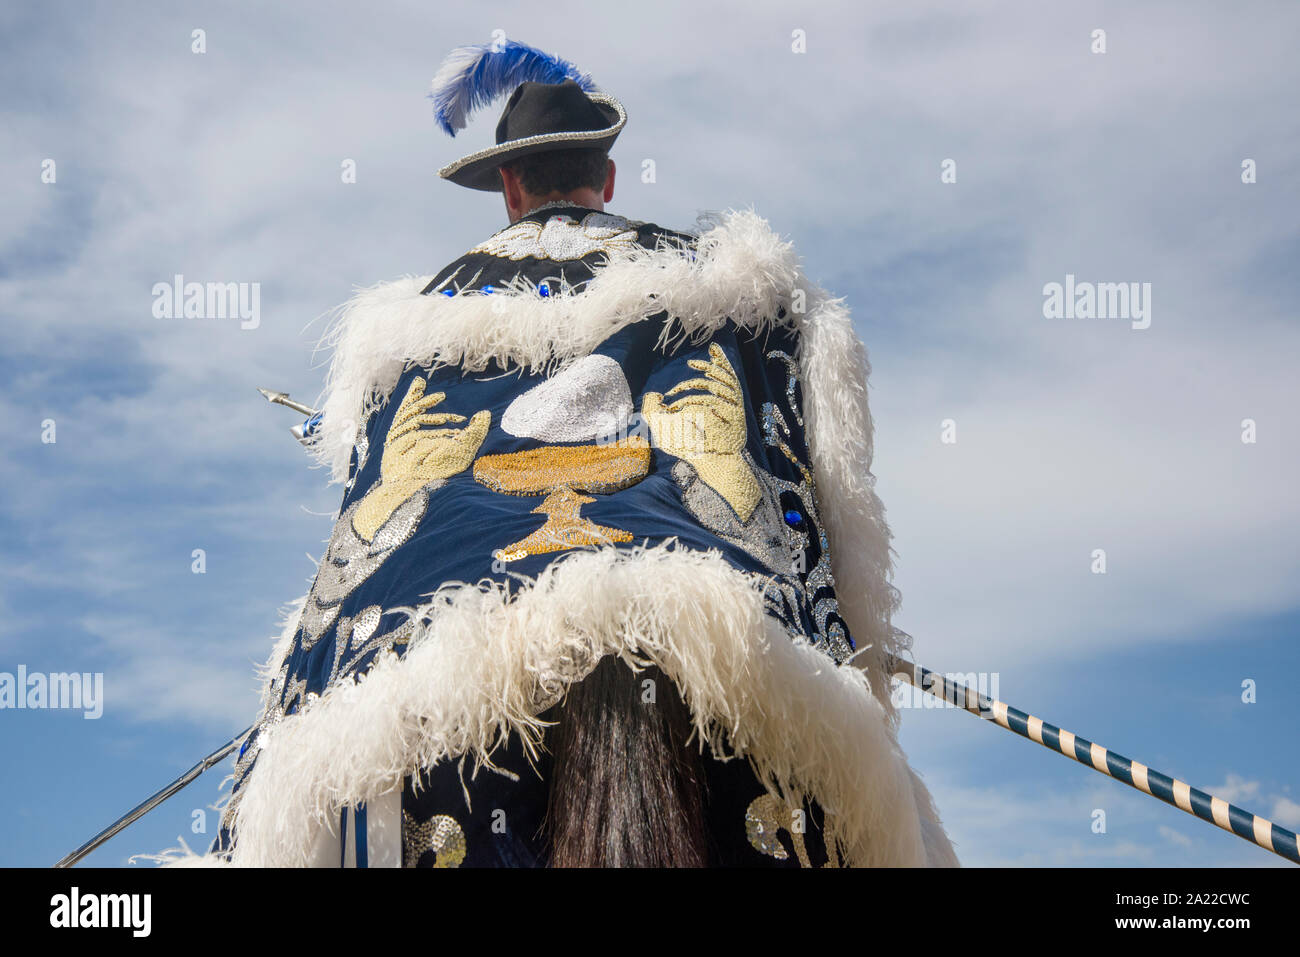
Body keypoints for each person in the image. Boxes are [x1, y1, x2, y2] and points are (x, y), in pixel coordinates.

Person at [180, 40, 957, 868]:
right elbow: (818, 493)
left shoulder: (405, 333)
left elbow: (370, 516)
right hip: (727, 629)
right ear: (608, 179)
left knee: (313, 726)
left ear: (509, 188)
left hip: (441, 652)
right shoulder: (726, 290)